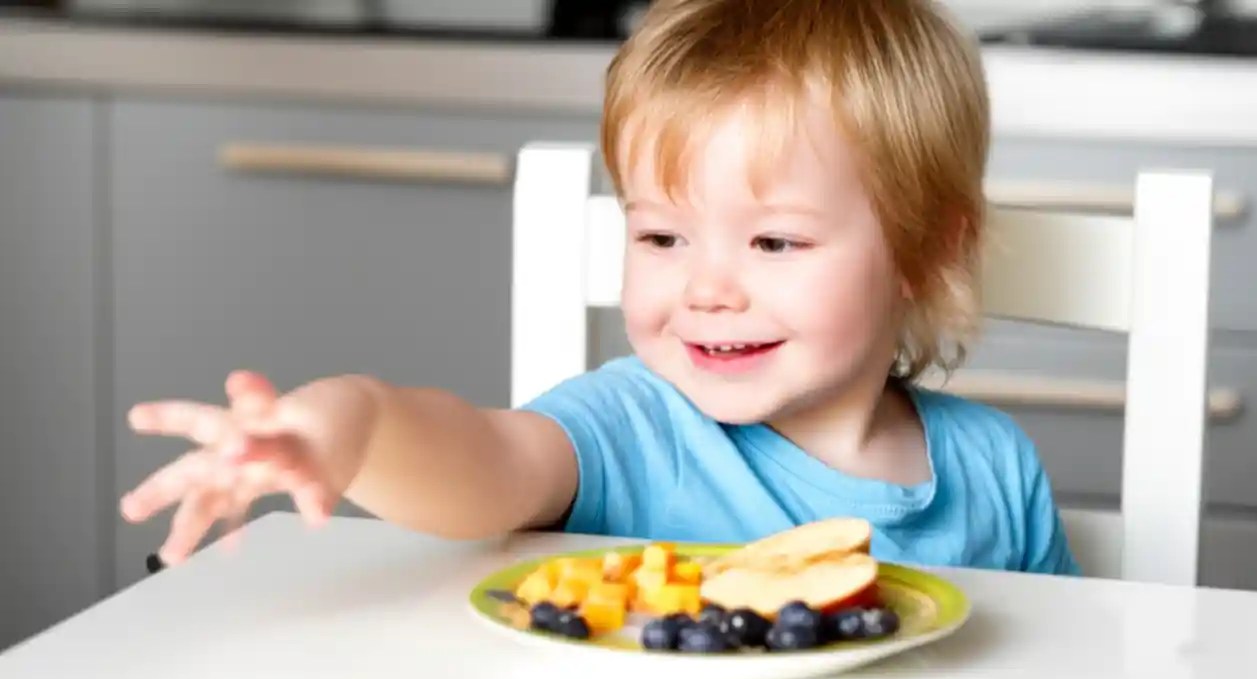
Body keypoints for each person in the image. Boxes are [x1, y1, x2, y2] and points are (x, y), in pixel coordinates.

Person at [120, 0, 1080, 576]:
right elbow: (484, 464)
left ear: (925, 250)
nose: (707, 287)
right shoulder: (635, 430)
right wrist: (347, 429)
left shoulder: (997, 473)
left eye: (775, 242)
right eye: (662, 234)